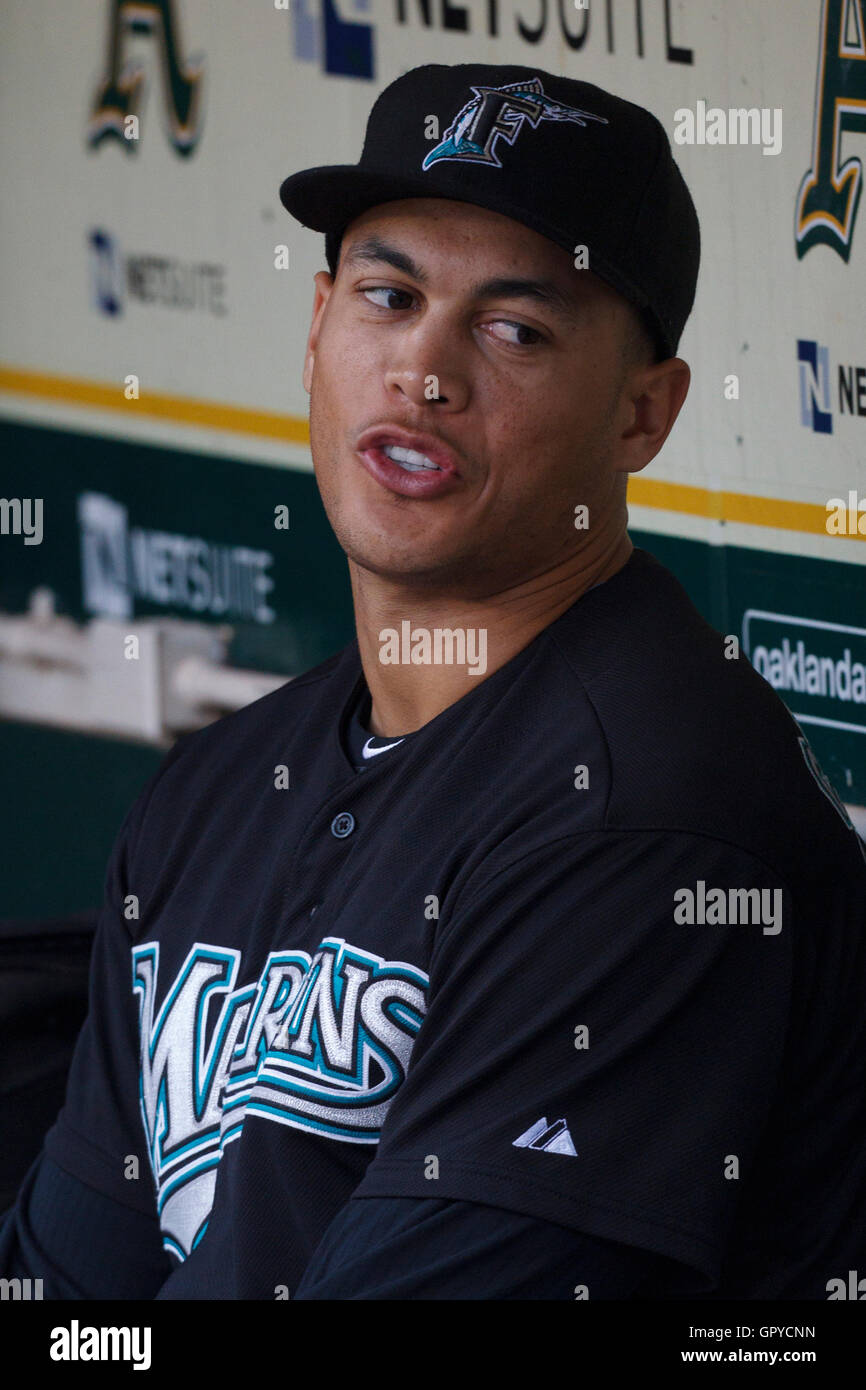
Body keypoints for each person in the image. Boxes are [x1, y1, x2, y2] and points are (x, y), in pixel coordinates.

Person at [2, 62, 864, 1301]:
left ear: (642, 416)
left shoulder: (645, 823)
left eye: (512, 327)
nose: (425, 369)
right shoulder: (218, 793)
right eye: (387, 294)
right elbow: (66, 1293)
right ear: (314, 330)